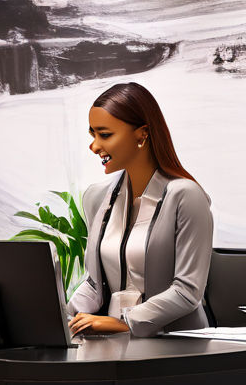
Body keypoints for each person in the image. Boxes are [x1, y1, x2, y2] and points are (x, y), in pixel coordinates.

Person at [68, 82, 213, 337]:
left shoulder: (186, 197)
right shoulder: (97, 197)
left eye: (105, 134)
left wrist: (126, 322)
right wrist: (65, 319)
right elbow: (95, 285)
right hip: (114, 340)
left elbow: (187, 290)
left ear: (142, 134)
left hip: (176, 344)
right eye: (93, 135)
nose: (94, 146)